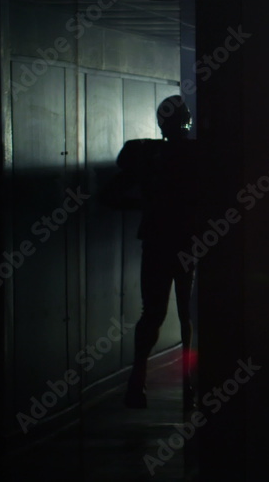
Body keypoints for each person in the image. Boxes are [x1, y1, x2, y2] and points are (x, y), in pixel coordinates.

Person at [114, 96, 199, 409]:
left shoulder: (146, 153)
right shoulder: (196, 153)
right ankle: (189, 385)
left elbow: (112, 193)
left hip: (157, 240)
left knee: (153, 313)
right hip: (189, 241)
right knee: (187, 314)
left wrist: (149, 207)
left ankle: (138, 378)